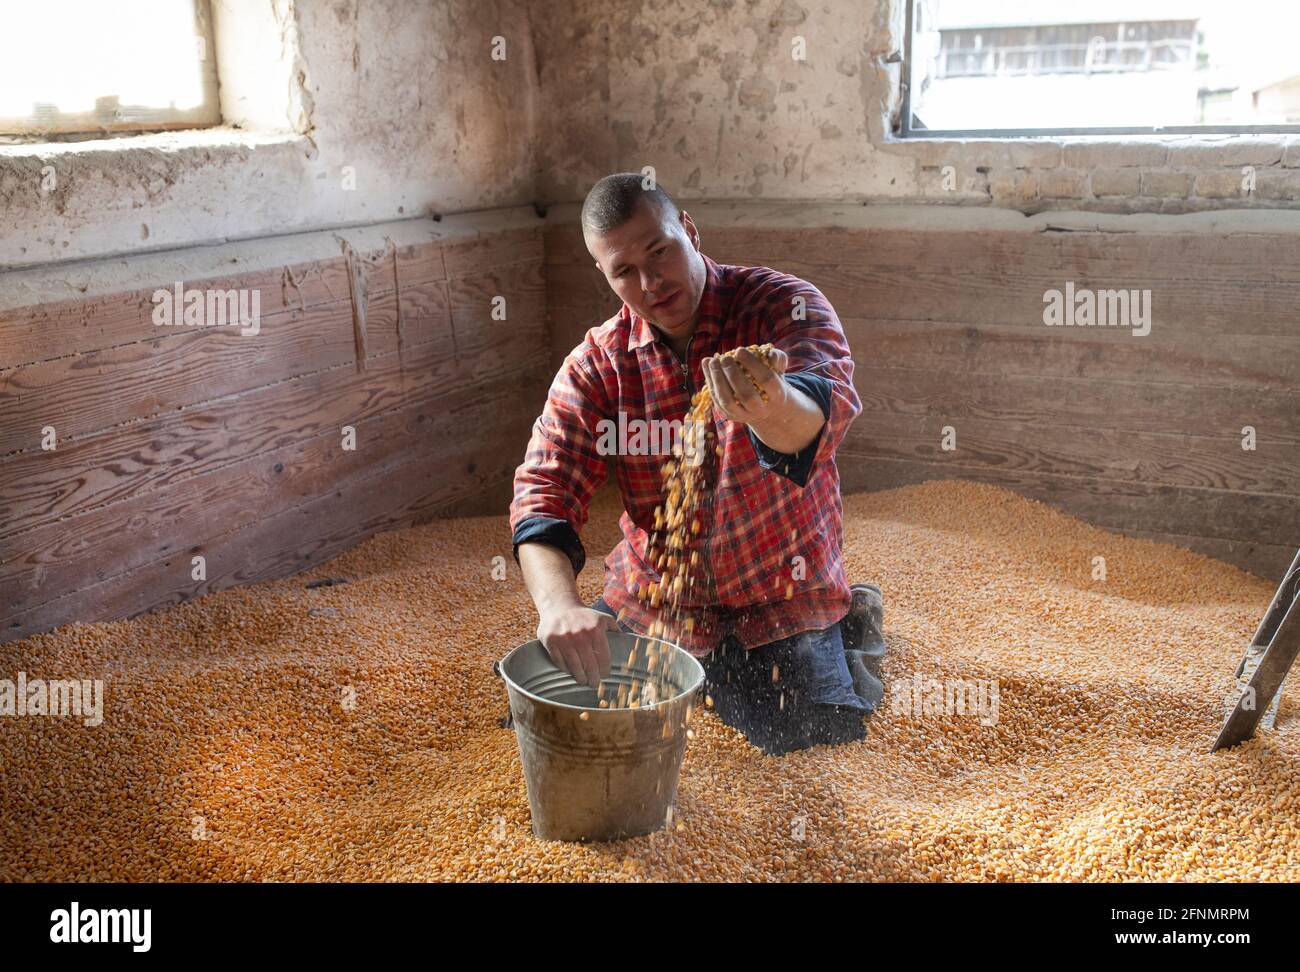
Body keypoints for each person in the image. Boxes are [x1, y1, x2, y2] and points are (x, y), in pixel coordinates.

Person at [509, 172, 884, 755]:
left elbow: (820, 423)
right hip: (658, 596)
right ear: (605, 276)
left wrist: (770, 403)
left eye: (659, 251)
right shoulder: (598, 366)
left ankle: (851, 621)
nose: (651, 281)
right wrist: (560, 607)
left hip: (783, 592)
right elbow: (542, 491)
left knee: (810, 737)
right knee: (563, 729)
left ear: (688, 230)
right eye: (624, 271)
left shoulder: (782, 306)